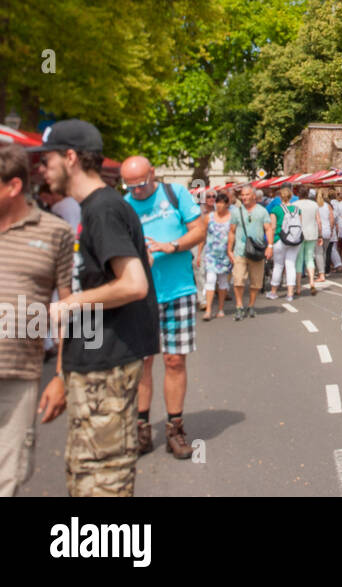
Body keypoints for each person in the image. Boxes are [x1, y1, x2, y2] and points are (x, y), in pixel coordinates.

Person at [34, 120, 159, 496]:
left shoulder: (102, 209)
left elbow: (134, 282)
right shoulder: (95, 208)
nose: (42, 169)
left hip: (108, 366)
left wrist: (72, 302)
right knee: (86, 478)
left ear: (70, 157)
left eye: (47, 159)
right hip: (92, 367)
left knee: (102, 484)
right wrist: (62, 375)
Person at [120, 155, 206, 460]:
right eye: (129, 186)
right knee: (141, 363)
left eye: (141, 184)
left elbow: (199, 230)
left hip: (177, 291)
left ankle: (175, 428)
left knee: (173, 361)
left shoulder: (176, 194)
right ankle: (141, 428)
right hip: (139, 295)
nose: (137, 191)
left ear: (152, 175)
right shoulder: (124, 204)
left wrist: (172, 246)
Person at [0, 144, 74, 496]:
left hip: (16, 379)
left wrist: (61, 375)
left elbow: (70, 306)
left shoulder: (55, 232)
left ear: (13, 187)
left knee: (8, 478)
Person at [229, 186, 274, 320]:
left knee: (255, 282)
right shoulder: (236, 212)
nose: (244, 197)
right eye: (242, 195)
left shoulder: (262, 211)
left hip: (256, 251)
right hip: (240, 251)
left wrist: (270, 246)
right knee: (238, 280)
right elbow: (231, 231)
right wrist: (229, 250)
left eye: (247, 194)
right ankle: (239, 306)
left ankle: (251, 305)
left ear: (254, 196)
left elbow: (268, 229)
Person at [201, 191, 234, 320]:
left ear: (227, 205)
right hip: (211, 254)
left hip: (224, 255)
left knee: (223, 282)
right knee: (210, 280)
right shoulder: (209, 217)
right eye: (217, 202)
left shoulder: (231, 217)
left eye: (222, 203)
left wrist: (231, 251)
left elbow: (232, 235)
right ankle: (208, 310)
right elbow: (203, 235)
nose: (219, 205)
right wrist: (199, 254)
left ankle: (220, 308)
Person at [294, 185, 324, 292]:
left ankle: (298, 286)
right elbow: (319, 221)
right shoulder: (314, 205)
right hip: (312, 234)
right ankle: (311, 281)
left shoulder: (295, 205)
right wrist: (320, 235)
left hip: (299, 235)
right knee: (310, 258)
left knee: (299, 260)